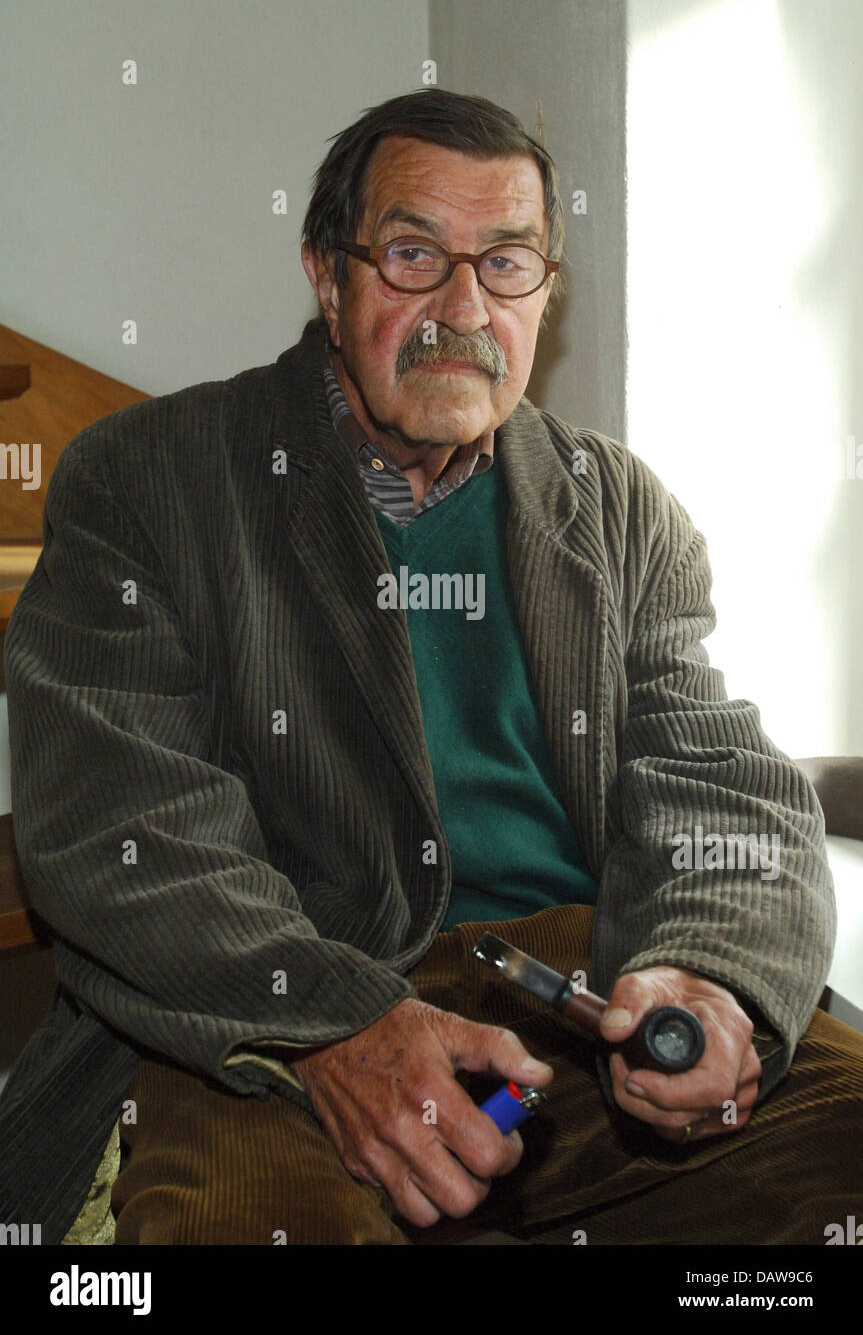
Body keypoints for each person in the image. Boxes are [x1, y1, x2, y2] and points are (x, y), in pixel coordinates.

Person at [1, 89, 860, 1246]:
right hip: (271, 1025)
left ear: (544, 292)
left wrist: (705, 978)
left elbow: (714, 778)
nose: (462, 308)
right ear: (326, 271)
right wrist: (337, 1022)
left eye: (505, 263)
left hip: (570, 1011)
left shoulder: (618, 510)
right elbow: (115, 816)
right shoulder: (147, 481)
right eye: (412, 255)